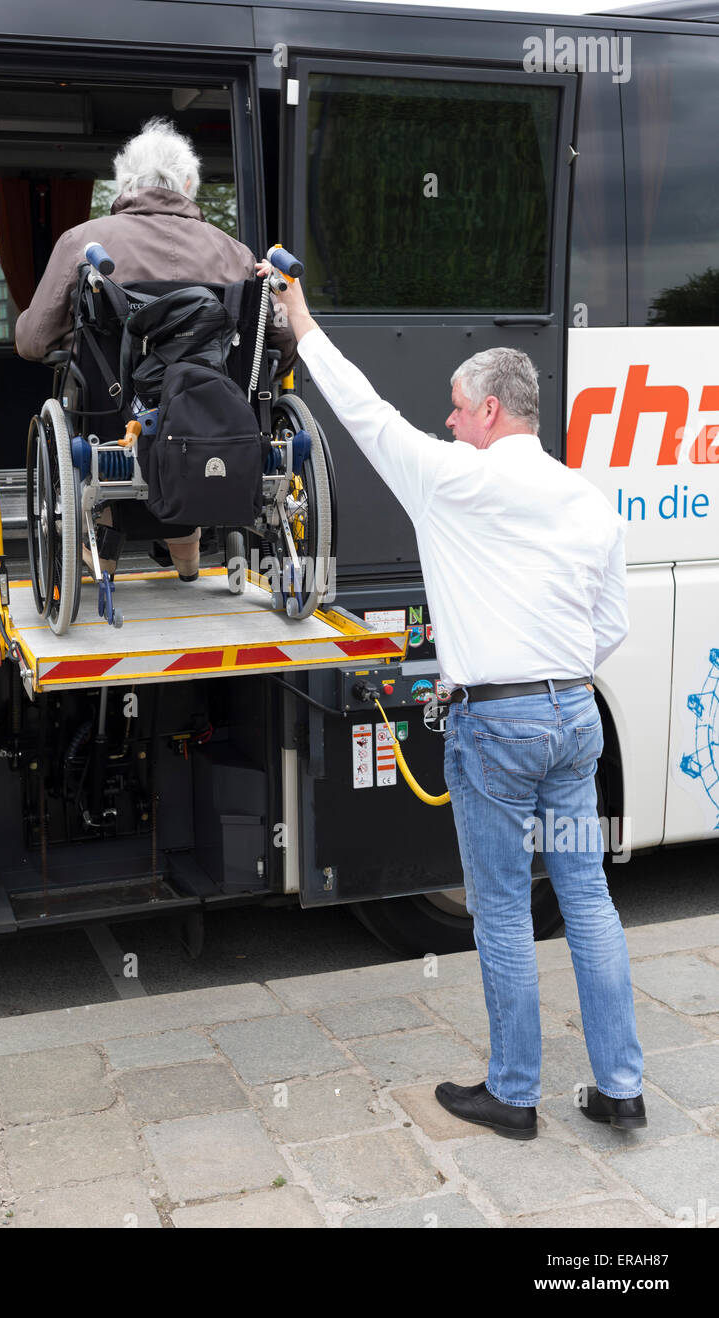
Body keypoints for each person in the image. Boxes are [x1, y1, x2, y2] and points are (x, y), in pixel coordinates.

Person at [261, 262, 645, 1142]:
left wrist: (301, 317)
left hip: (498, 729)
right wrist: (545, 671)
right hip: (574, 722)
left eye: (454, 407)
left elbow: (360, 412)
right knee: (586, 897)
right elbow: (610, 624)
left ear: (490, 413)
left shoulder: (450, 479)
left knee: (503, 908)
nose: (443, 420)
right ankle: (619, 1086)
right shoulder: (587, 503)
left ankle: (512, 1095)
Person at [15, 117, 296, 580]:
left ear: (124, 183)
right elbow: (278, 346)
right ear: (189, 184)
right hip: (212, 422)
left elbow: (33, 342)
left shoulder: (85, 243)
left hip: (116, 426)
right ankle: (185, 544)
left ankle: (103, 543)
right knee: (188, 401)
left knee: (103, 397)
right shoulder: (238, 254)